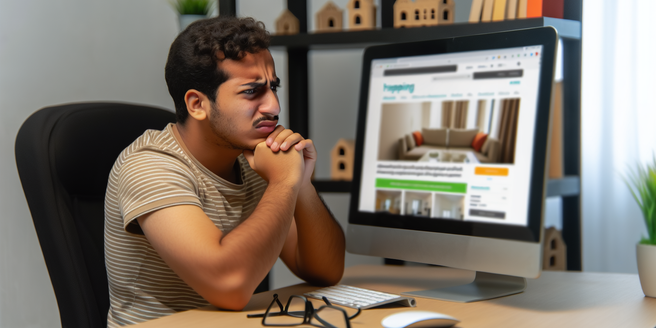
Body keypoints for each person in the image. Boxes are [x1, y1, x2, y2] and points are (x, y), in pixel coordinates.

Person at [104, 16, 346, 327]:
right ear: (197, 104)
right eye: (252, 92)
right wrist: (284, 181)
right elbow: (229, 286)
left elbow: (325, 270)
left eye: (273, 87)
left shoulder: (254, 159)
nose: (274, 106)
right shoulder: (149, 166)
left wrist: (300, 184)